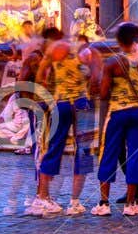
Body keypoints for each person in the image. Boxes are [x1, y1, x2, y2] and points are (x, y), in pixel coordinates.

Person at [92, 22, 138, 216]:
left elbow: (104, 94)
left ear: (119, 41)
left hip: (117, 112)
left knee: (108, 153)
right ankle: (131, 204)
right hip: (137, 112)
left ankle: (104, 203)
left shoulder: (113, 62)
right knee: (135, 155)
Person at [34, 36, 95, 216]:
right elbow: (92, 77)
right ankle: (74, 202)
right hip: (82, 103)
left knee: (54, 147)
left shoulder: (55, 50)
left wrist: (47, 83)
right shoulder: (86, 52)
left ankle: (43, 198)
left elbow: (40, 75)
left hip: (61, 103)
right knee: (83, 150)